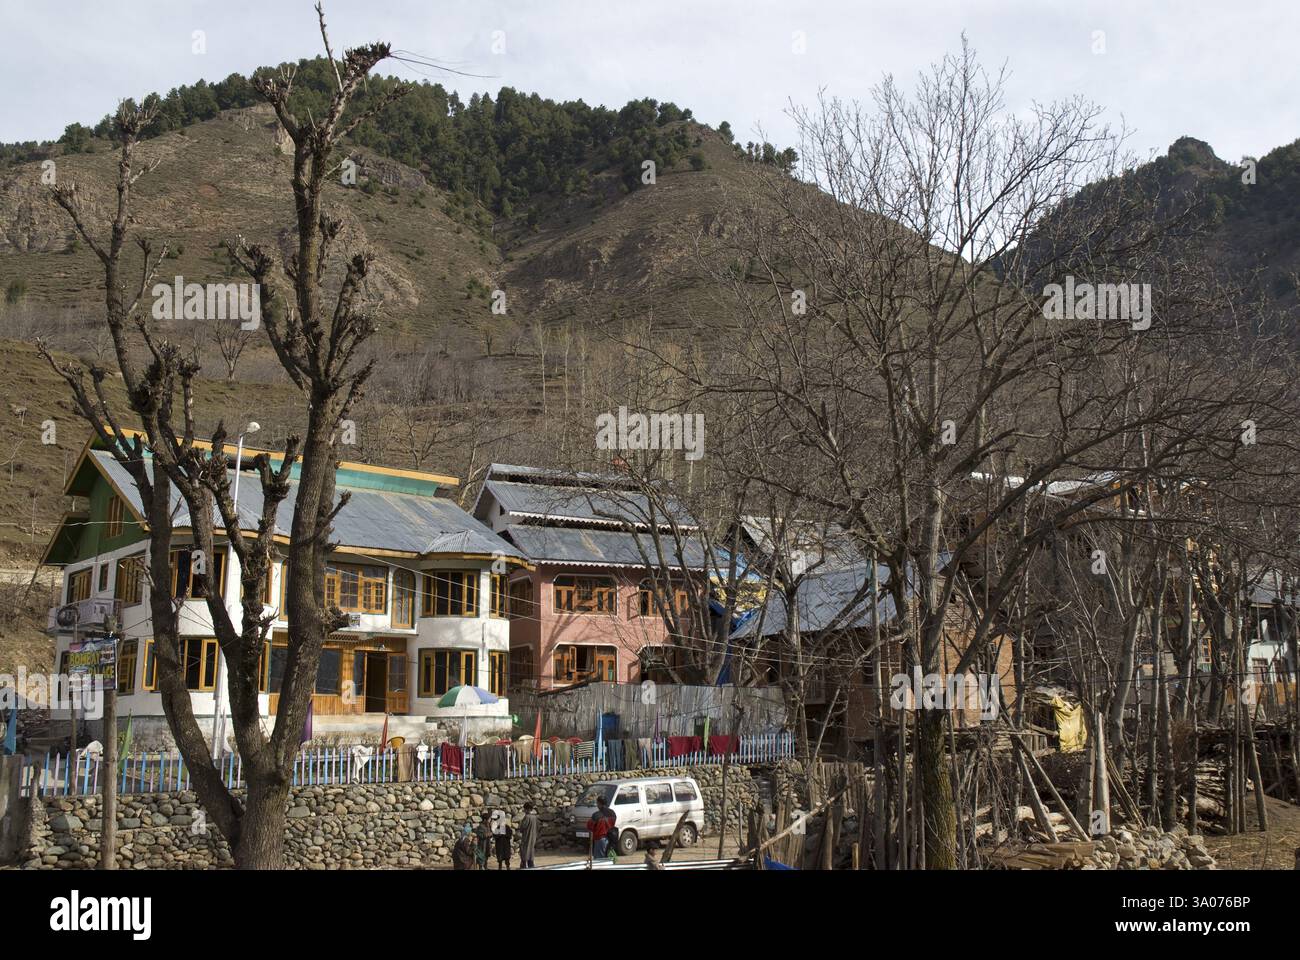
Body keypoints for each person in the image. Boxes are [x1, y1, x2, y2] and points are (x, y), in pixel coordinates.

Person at [587, 795, 617, 859]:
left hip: (600, 840)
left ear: (599, 803)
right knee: (607, 859)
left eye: (597, 803)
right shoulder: (612, 813)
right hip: (611, 839)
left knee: (599, 860)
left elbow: (589, 826)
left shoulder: (596, 815)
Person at [518, 801, 539, 869]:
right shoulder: (535, 817)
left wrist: (520, 824)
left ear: (527, 809)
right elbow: (537, 827)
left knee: (524, 852)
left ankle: (523, 866)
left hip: (526, 838)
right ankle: (531, 866)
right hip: (533, 838)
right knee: (531, 853)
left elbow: (522, 828)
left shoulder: (526, 817)